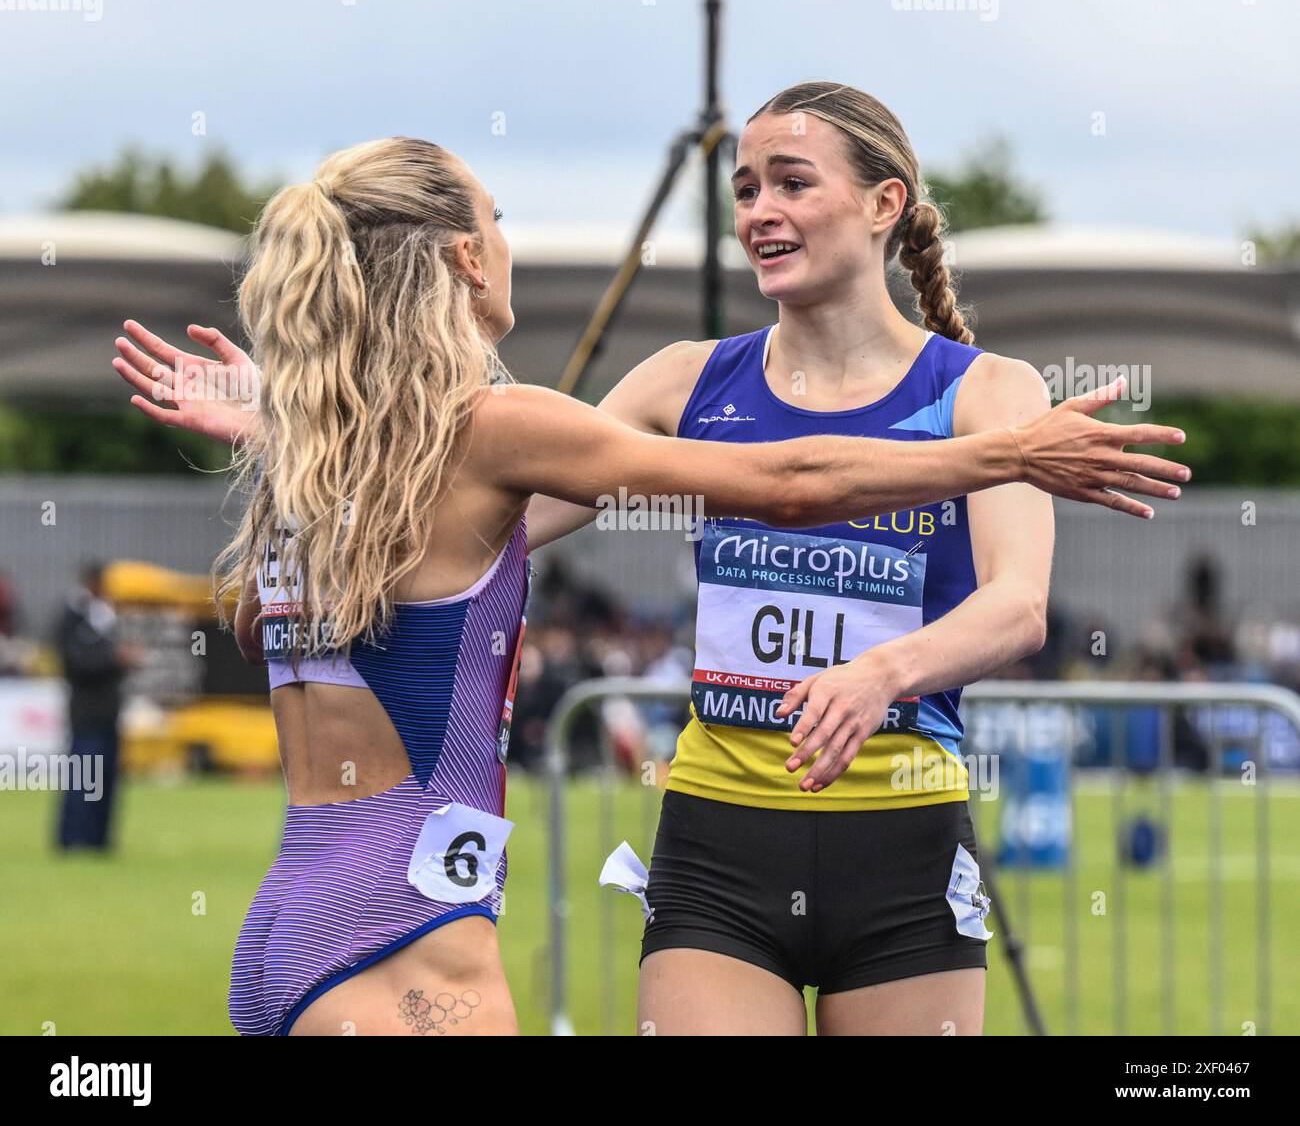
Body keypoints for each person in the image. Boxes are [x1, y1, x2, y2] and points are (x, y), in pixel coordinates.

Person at [112, 135, 1187, 1036]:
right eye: (497, 218)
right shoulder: (495, 426)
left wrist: (288, 424)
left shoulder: (331, 469)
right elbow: (788, 480)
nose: (507, 241)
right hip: (408, 940)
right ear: (462, 260)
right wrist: (1002, 454)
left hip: (290, 928)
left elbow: (272, 628)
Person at [54, 562, 143, 851]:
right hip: (86, 715)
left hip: (108, 713)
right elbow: (75, 663)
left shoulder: (103, 617)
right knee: (84, 779)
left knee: (106, 780)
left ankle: (98, 840)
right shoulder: (72, 619)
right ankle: (75, 839)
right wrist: (116, 659)